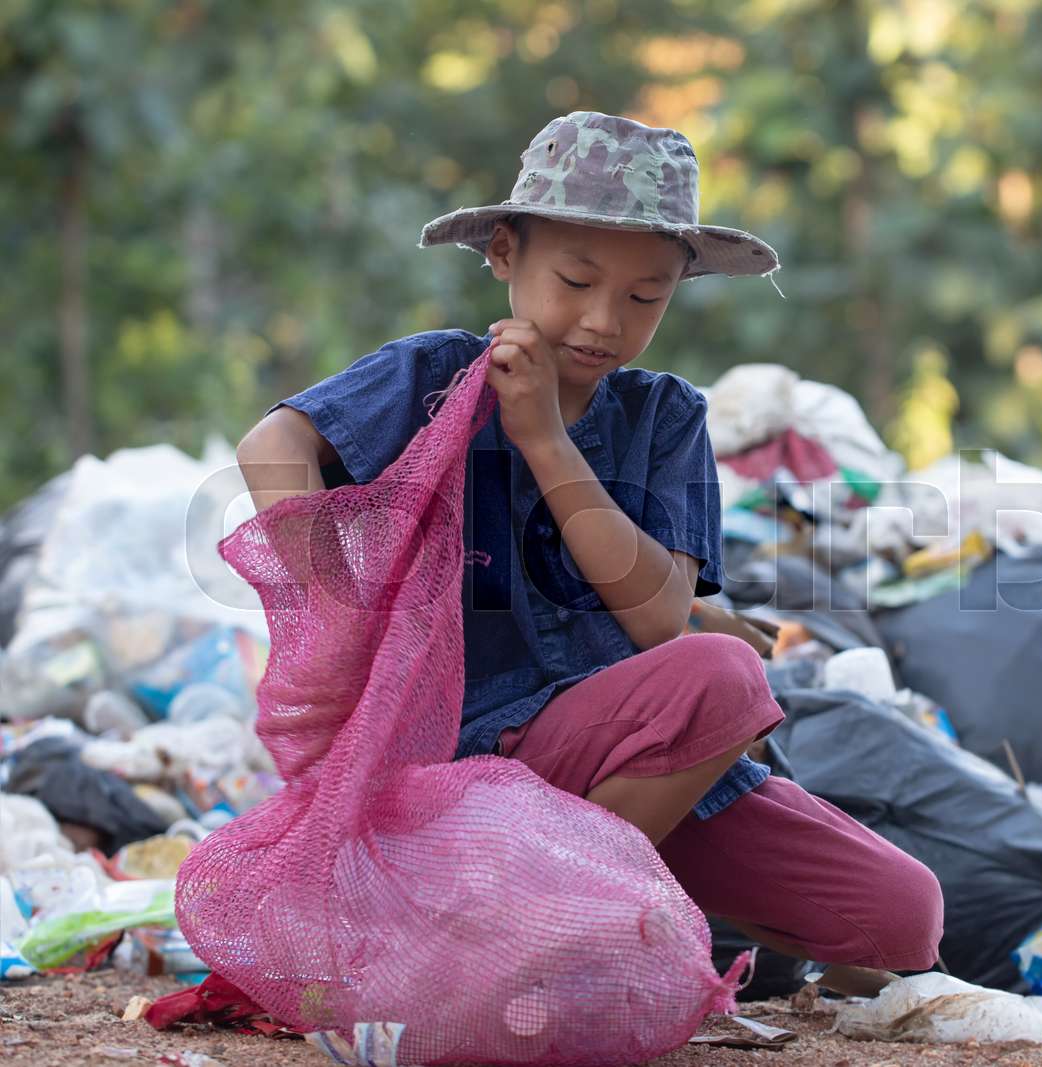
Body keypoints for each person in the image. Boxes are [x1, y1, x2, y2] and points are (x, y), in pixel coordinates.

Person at [234, 111, 942, 996]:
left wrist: (544, 440)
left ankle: (605, 907)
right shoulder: (435, 375)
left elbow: (654, 616)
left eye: (646, 297)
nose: (604, 320)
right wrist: (340, 615)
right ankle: (533, 934)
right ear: (503, 253)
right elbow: (273, 446)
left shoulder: (665, 417)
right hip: (466, 770)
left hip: (645, 767)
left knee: (901, 909)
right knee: (723, 673)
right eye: (575, 279)